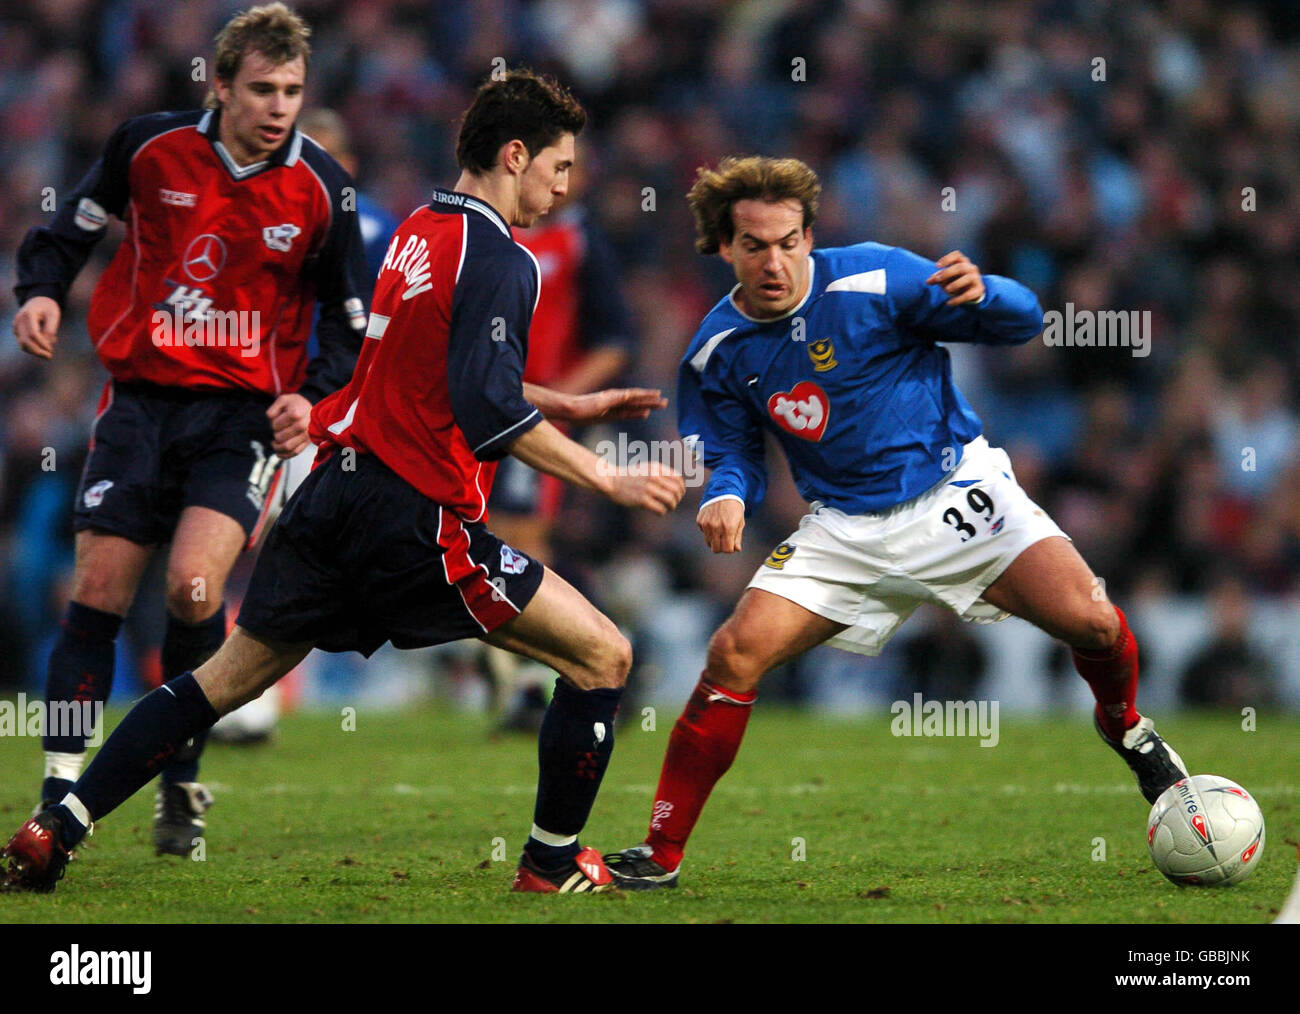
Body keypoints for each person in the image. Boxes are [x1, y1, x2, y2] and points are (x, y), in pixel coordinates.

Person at [3, 68, 685, 895]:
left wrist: (565, 401)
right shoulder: (504, 256)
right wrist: (605, 477)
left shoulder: (419, 232)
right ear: (515, 155)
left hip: (329, 502)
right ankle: (549, 864)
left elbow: (424, 366)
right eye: (560, 167)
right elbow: (485, 411)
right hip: (415, 523)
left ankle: (56, 827)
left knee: (216, 683)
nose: (565, 186)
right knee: (604, 656)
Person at [603, 156, 1189, 889]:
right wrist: (725, 493)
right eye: (755, 245)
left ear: (810, 235)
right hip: (845, 527)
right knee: (732, 654)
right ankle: (660, 856)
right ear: (725, 248)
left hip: (956, 492)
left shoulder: (877, 278)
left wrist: (989, 292)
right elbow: (729, 448)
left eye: (789, 241)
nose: (775, 260)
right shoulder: (717, 350)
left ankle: (1125, 725)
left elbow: (1018, 320)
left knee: (1096, 623)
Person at [9, 3, 370, 857]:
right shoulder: (148, 147)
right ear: (220, 85)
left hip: (241, 417)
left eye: (292, 90)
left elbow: (350, 320)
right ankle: (60, 784)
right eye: (262, 89)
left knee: (193, 593)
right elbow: (73, 230)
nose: (279, 106)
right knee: (94, 594)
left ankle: (181, 786)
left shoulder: (324, 187)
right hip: (138, 403)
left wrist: (312, 399)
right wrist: (39, 290)